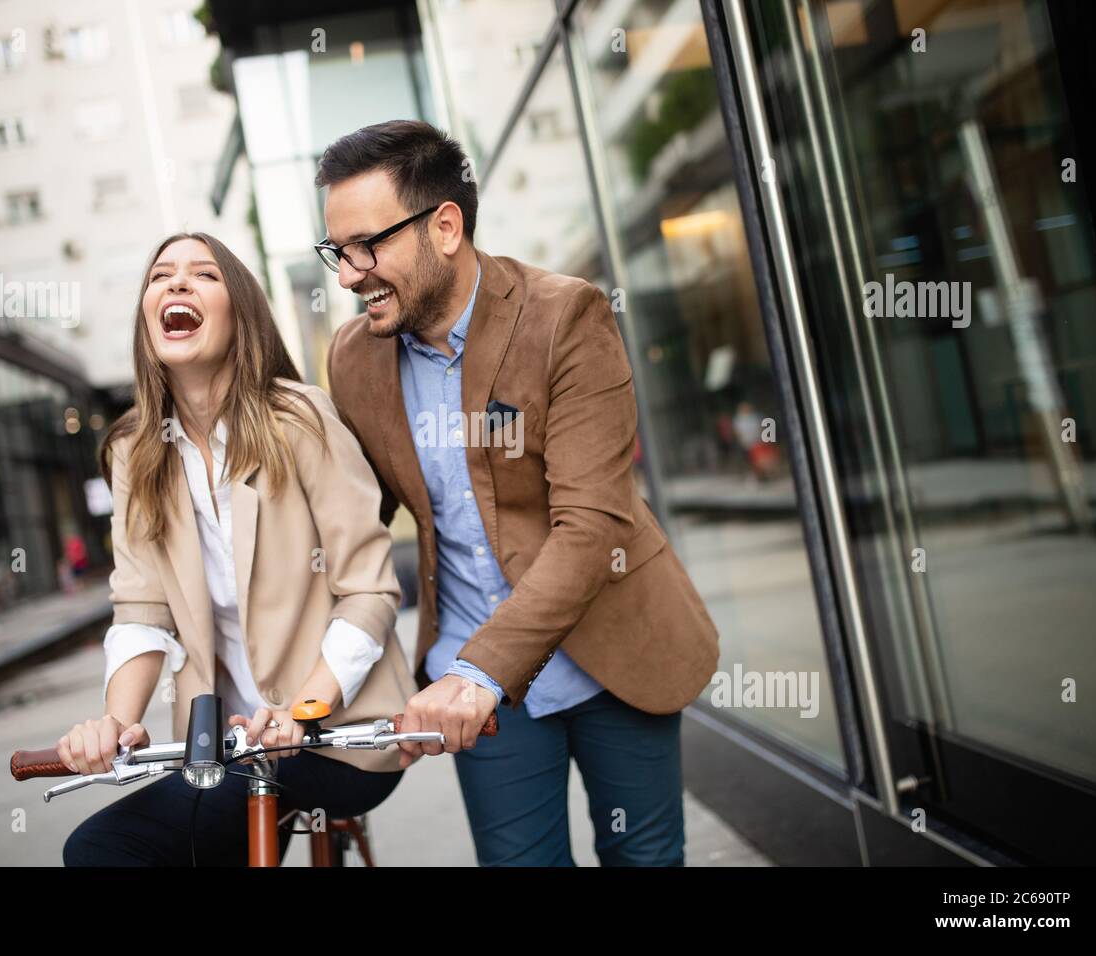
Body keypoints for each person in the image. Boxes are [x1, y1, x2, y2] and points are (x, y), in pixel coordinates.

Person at [318, 120, 720, 866]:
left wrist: (479, 674)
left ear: (445, 227)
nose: (348, 275)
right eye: (337, 252)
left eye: (366, 247)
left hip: (613, 649)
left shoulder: (564, 316)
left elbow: (591, 525)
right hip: (479, 682)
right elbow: (349, 526)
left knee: (645, 858)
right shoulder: (354, 359)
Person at [60, 231, 416, 866]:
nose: (176, 284)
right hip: (222, 748)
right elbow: (141, 609)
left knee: (104, 850)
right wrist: (116, 724)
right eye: (161, 275)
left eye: (204, 275)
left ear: (241, 312)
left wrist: (303, 711)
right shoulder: (133, 450)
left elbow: (368, 588)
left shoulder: (300, 419)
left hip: (338, 736)